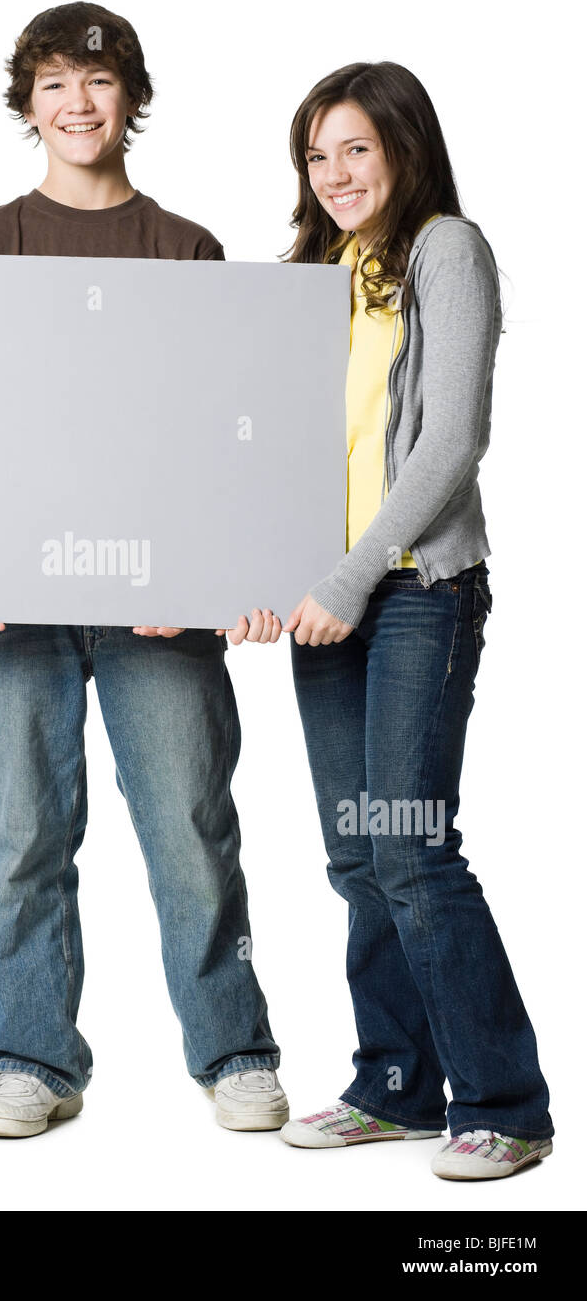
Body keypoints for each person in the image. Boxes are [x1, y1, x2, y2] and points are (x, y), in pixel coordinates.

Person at [0, 1, 287, 1137]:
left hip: (158, 607)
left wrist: (214, 570)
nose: (76, 103)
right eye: (52, 84)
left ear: (131, 97)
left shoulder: (183, 248)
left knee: (191, 825)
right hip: (19, 604)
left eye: (95, 82)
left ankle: (233, 1046)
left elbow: (220, 432)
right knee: (25, 833)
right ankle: (32, 1057)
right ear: (26, 103)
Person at [246, 60, 551, 1180]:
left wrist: (351, 575)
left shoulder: (446, 251)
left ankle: (505, 1103)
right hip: (325, 605)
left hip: (416, 589)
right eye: (316, 156)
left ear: (402, 150)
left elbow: (450, 440)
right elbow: (270, 450)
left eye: (355, 150)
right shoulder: (316, 277)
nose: (333, 174)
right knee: (356, 855)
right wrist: (268, 573)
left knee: (412, 846)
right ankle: (393, 1084)